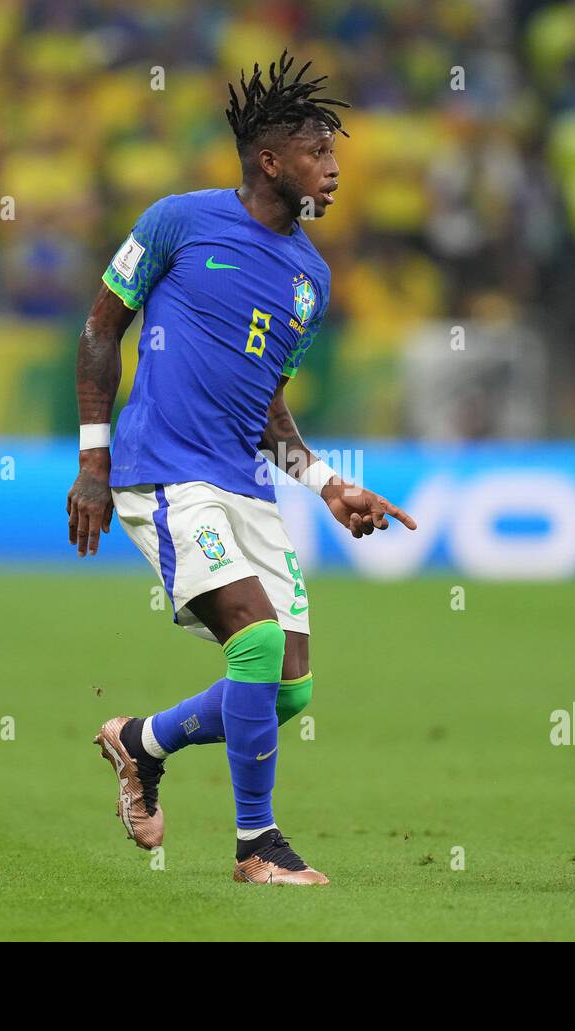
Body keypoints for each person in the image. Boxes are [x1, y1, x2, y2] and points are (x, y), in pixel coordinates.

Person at [66, 51, 416, 885]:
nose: (334, 168)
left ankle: (139, 741)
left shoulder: (312, 279)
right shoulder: (176, 221)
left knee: (287, 692)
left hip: (245, 485)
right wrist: (92, 458)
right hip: (163, 473)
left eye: (336, 153)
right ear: (270, 161)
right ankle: (257, 845)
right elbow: (98, 329)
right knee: (255, 643)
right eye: (317, 152)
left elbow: (266, 407)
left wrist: (327, 481)